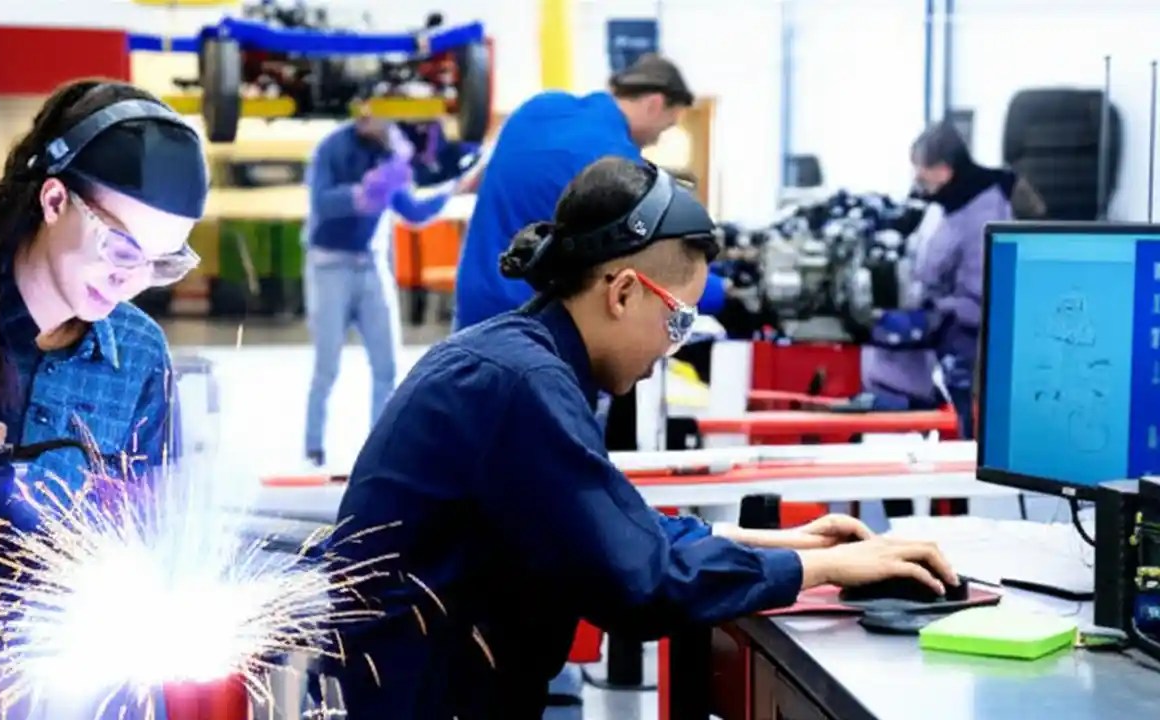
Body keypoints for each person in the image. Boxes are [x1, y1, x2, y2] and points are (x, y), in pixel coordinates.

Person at [313, 157, 957, 718]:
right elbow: (639, 580)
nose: (674, 345)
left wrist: (781, 539)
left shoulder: (515, 357)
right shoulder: (521, 382)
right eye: (678, 320)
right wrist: (823, 568)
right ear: (622, 292)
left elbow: (601, 525)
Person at [0, 78, 210, 644]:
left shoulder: (140, 354)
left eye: (159, 263)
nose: (130, 281)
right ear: (55, 200)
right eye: (122, 248)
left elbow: (160, 530)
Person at [454, 53, 731, 331]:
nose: (658, 138)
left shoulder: (539, 108)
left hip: (474, 302)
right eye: (667, 125)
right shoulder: (614, 165)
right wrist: (725, 294)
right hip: (529, 325)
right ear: (654, 104)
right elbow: (653, 264)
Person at [863, 121, 1045, 517]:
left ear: (944, 168)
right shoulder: (946, 202)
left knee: (955, 445)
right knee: (893, 423)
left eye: (921, 168)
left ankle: (955, 527)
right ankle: (903, 521)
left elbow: (981, 297)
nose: (917, 177)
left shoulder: (984, 210)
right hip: (933, 343)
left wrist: (930, 315)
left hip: (963, 349)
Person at [303, 112, 468, 467]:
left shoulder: (390, 149)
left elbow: (412, 209)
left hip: (371, 264)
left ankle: (382, 447)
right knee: (326, 366)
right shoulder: (334, 146)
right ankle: (313, 448)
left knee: (388, 365)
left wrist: (453, 188)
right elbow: (321, 201)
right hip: (329, 266)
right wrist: (358, 194)